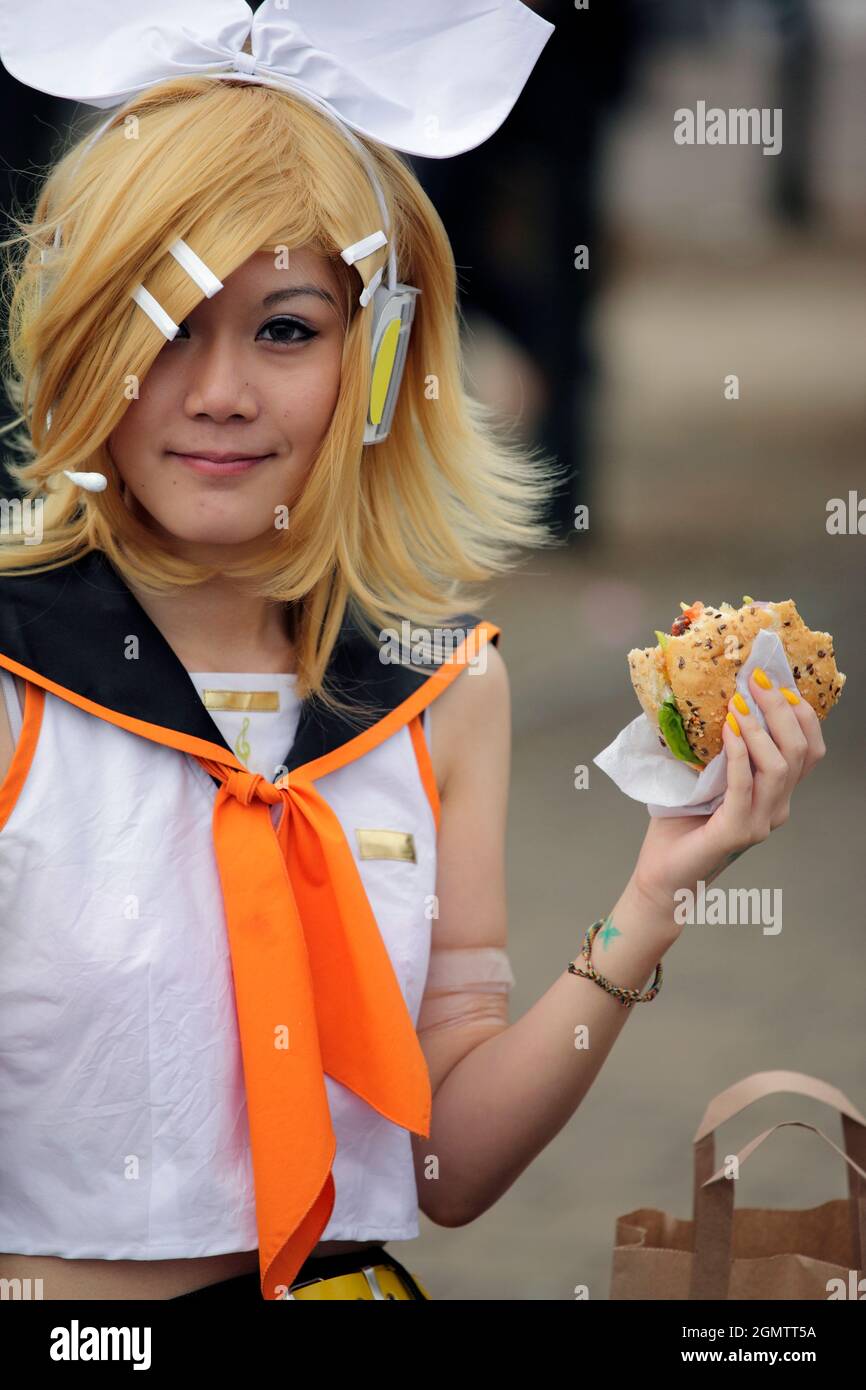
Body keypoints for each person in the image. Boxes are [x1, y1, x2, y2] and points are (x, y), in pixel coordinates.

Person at [0, 3, 827, 1302]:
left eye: (283, 326)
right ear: (78, 333)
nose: (219, 389)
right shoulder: (13, 682)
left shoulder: (444, 690)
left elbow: (443, 1166)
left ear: (374, 358)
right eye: (163, 324)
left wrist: (659, 888)